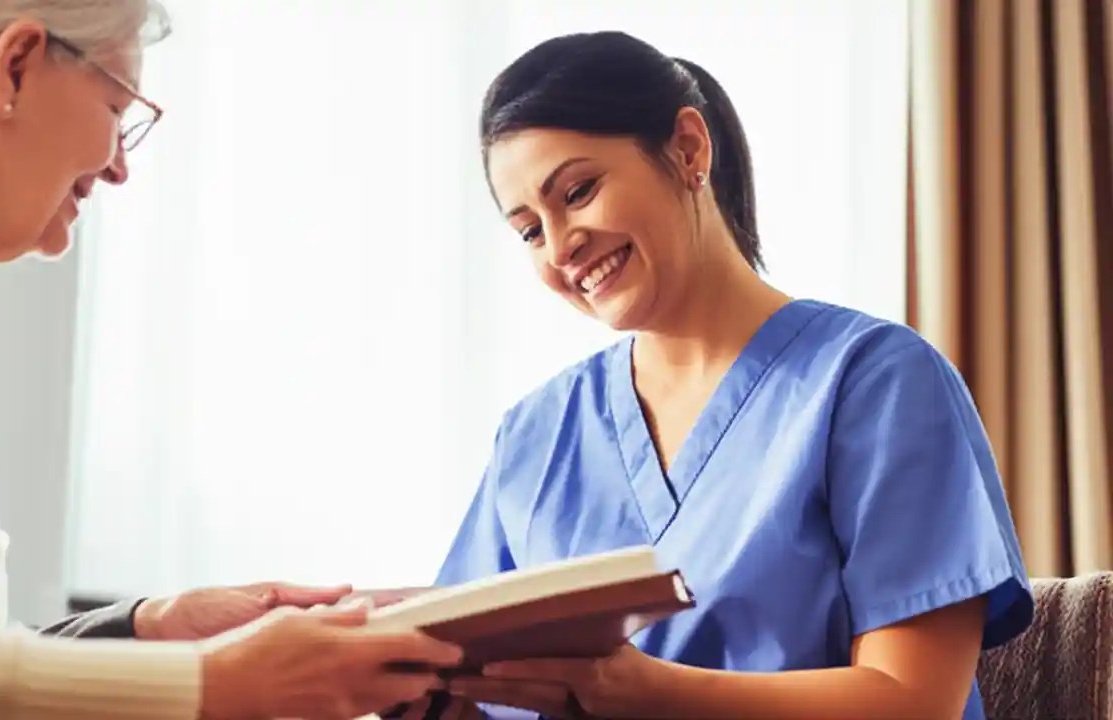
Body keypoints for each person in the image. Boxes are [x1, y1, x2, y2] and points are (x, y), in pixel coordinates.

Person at [0, 1, 462, 718]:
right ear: (15, 67)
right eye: (117, 105)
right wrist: (209, 682)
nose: (121, 168)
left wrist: (151, 630)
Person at [413, 31, 1034, 720]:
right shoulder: (535, 435)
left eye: (579, 191)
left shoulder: (874, 383)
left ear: (687, 149)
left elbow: (914, 702)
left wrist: (644, 693)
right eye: (530, 231)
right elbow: (470, 686)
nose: (561, 248)